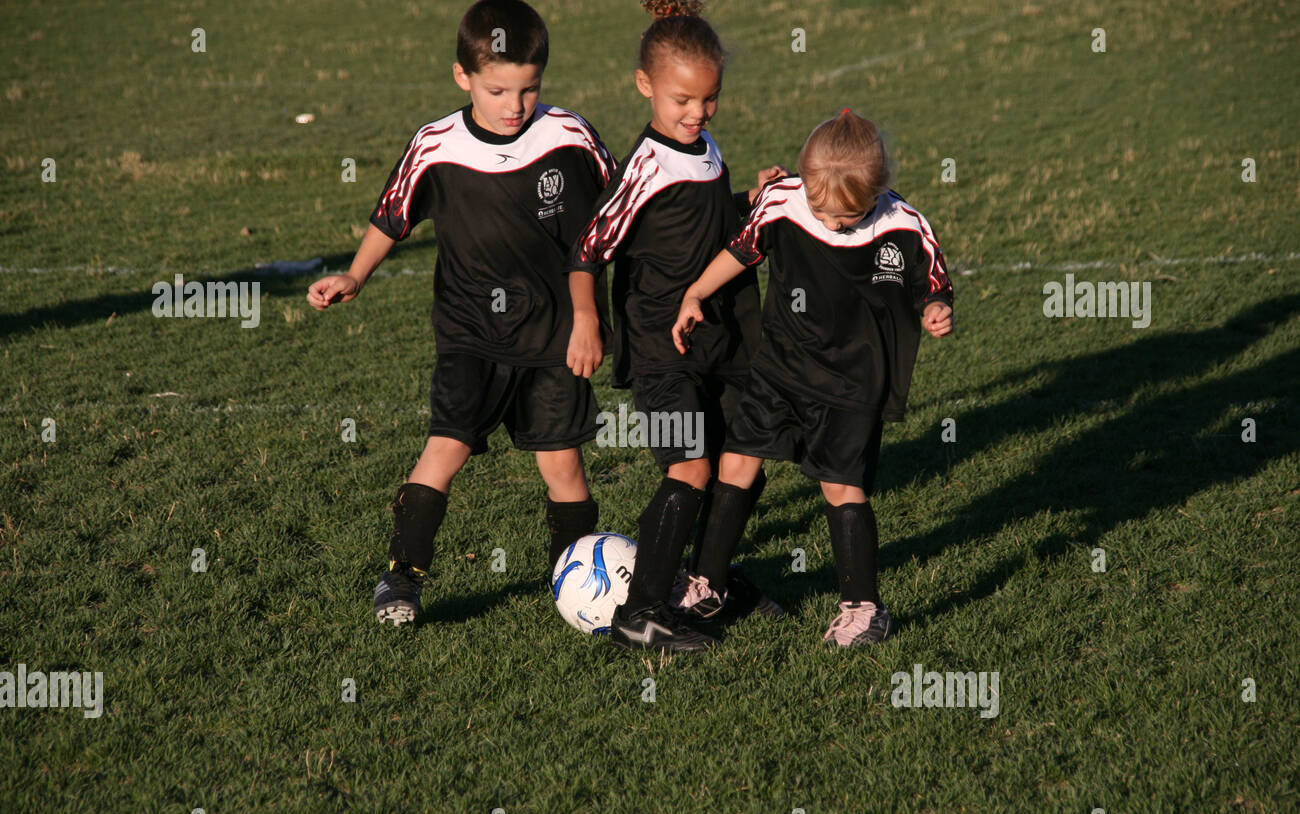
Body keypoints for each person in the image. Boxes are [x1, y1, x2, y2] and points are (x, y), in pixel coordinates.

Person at [306, 0, 616, 625]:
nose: (514, 104)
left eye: (529, 89)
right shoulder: (436, 145)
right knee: (444, 447)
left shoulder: (570, 136)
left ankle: (574, 585)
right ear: (462, 77)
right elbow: (393, 214)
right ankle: (401, 579)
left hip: (555, 334)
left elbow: (625, 206)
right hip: (470, 332)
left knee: (562, 464)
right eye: (497, 89)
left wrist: (593, 318)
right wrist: (355, 274)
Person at [671, 108, 955, 647]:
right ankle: (707, 583)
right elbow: (741, 251)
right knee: (735, 463)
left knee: (839, 485)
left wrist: (937, 308)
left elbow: (934, 281)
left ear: (877, 192)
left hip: (852, 385)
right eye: (821, 211)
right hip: (780, 368)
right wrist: (696, 293)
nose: (830, 223)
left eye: (845, 219)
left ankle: (864, 609)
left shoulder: (905, 225)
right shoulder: (783, 202)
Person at [567, 0, 785, 653]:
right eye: (682, 100)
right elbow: (589, 247)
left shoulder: (705, 146)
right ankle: (642, 614)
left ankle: (708, 582)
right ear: (646, 87)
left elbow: (702, 220)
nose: (696, 113)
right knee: (689, 467)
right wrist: (585, 317)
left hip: (718, 334)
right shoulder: (643, 166)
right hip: (660, 349)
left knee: (741, 461)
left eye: (709, 99)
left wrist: (749, 197)